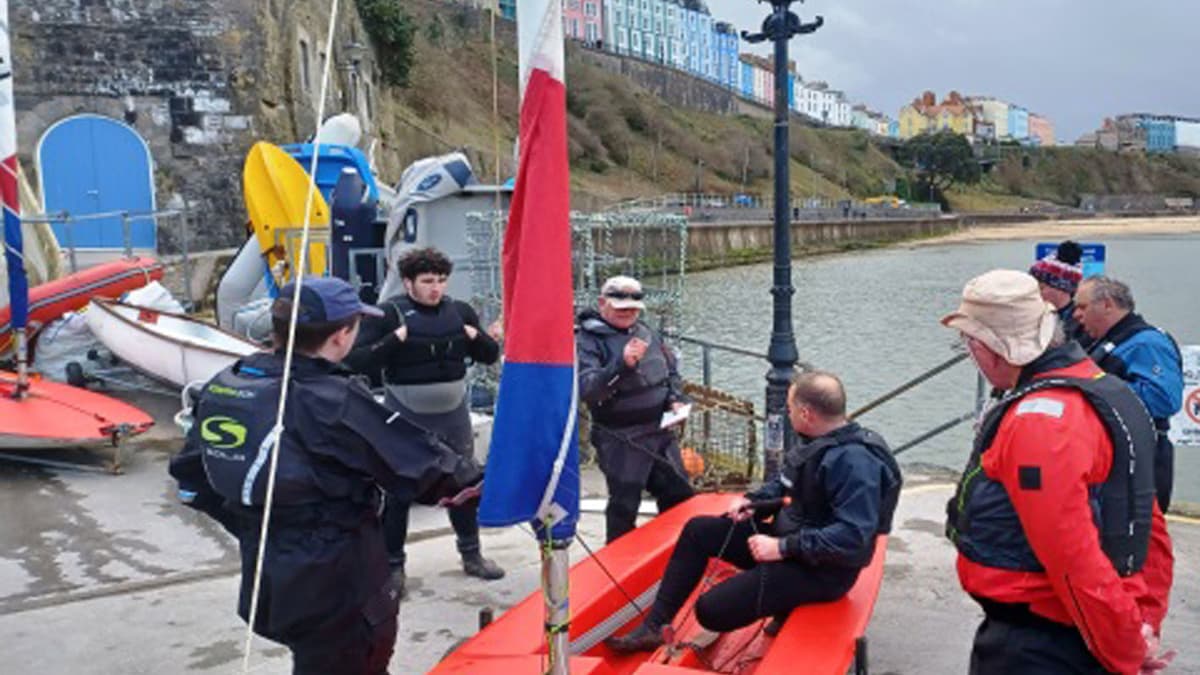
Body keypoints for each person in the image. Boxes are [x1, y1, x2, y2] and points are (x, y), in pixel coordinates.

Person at [168, 276, 477, 675]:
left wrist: (255, 524)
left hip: (269, 575)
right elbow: (425, 469)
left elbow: (191, 479)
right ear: (341, 336)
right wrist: (495, 484)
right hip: (337, 580)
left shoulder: (229, 383)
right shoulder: (331, 398)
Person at [942, 269, 1174, 675]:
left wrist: (1125, 650)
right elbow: (1147, 528)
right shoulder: (1110, 392)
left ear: (988, 348)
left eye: (969, 342)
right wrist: (1142, 624)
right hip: (1085, 631)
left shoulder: (1041, 421)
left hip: (1039, 644)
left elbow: (1072, 557)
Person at [605, 370, 902, 653]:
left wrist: (782, 547)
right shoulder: (817, 441)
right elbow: (784, 484)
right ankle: (654, 627)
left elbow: (852, 537)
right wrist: (752, 502)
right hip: (792, 542)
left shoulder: (855, 464)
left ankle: (786, 605)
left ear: (806, 414)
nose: (787, 414)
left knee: (710, 611)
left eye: (789, 408)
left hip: (822, 571)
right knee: (698, 531)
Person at [345, 247, 504, 596]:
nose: (436, 288)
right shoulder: (389, 314)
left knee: (463, 485)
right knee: (398, 492)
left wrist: (478, 338)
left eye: (441, 280)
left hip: (453, 414)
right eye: (428, 281)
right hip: (406, 414)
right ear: (408, 282)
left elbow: (490, 355)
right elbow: (356, 361)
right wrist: (393, 340)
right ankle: (393, 567)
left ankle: (472, 555)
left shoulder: (459, 311)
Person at [577, 275, 695, 544]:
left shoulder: (645, 331)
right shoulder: (588, 339)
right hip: (620, 435)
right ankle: (617, 556)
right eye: (621, 308)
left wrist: (676, 399)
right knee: (624, 503)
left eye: (633, 308)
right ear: (602, 303)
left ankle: (676, 549)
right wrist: (622, 365)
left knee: (680, 493)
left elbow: (671, 373)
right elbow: (589, 389)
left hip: (659, 430)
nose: (628, 313)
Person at [1074, 275, 1184, 512]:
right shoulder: (1104, 341)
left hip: (1140, 459)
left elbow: (1164, 400)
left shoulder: (1147, 343)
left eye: (1082, 307)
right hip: (1111, 456)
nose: (1076, 315)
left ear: (1107, 304)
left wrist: (1095, 388)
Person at [1028, 239, 1087, 345]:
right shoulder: (1034, 313)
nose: (1036, 293)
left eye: (1041, 288)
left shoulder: (1080, 323)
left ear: (1061, 289)